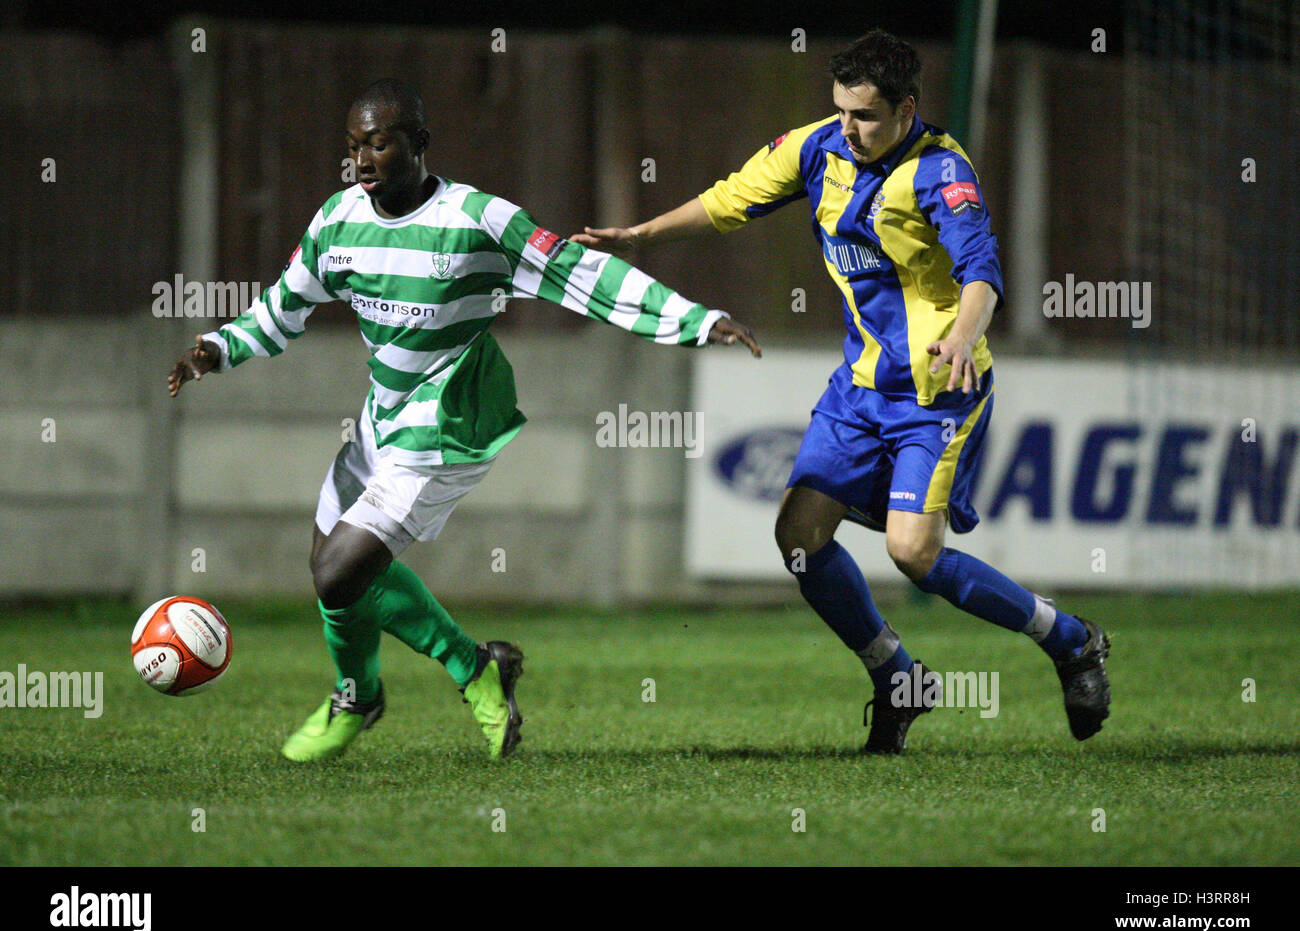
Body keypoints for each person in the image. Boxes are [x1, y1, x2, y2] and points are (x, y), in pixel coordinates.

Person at [168, 78, 761, 763]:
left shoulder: (478, 219)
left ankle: (469, 666)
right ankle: (359, 697)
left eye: (380, 143)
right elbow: (284, 305)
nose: (363, 159)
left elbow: (582, 273)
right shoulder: (338, 221)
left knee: (338, 572)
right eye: (354, 145)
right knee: (331, 573)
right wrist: (215, 349)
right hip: (381, 418)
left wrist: (698, 320)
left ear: (420, 145)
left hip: (449, 419)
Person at [573, 29, 1110, 753]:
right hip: (858, 391)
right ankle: (898, 678)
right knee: (798, 536)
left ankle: (1072, 641)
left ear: (906, 108)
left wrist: (960, 335)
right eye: (841, 111)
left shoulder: (941, 172)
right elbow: (731, 200)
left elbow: (983, 269)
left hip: (938, 394)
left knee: (912, 554)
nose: (849, 129)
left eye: (864, 116)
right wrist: (642, 234)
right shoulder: (818, 146)